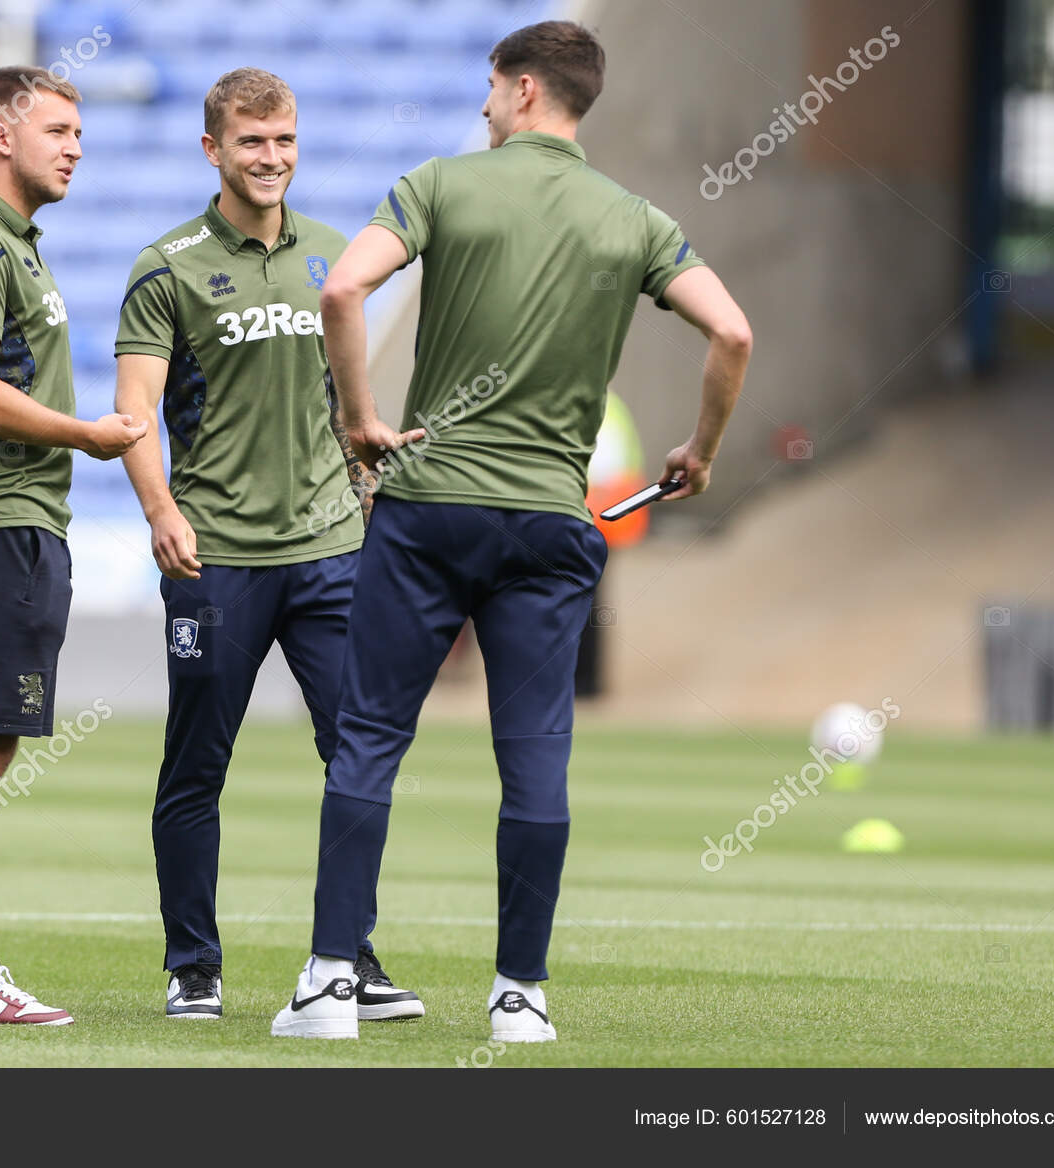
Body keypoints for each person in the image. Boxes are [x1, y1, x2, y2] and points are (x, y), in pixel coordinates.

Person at [271, 21, 752, 1041]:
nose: (483, 105)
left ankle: (325, 985)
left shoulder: (442, 184)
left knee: (367, 740)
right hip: (546, 520)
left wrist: (361, 421)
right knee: (534, 757)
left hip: (428, 507)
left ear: (525, 90)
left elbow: (343, 286)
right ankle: (519, 997)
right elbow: (732, 330)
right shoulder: (633, 218)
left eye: (491, 89)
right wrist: (699, 450)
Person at [115, 68, 424, 1023]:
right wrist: (162, 510)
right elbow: (134, 415)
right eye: (252, 142)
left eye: (285, 139)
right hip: (217, 564)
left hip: (333, 555)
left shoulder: (336, 258)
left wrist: (367, 481)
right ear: (213, 150)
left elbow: (347, 405)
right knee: (196, 765)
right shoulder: (163, 267)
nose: (272, 158)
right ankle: (193, 968)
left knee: (358, 754)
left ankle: (350, 961)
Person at [0, 66, 146, 1027]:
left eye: (79, 130)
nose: (75, 145)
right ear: (0, 135)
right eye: (57, 128)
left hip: (15, 519)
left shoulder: (13, 243)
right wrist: (86, 434)